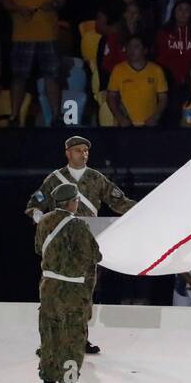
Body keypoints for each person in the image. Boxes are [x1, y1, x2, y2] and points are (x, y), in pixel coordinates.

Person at [25, 136, 137, 353]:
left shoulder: (96, 178)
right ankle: (50, 341)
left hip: (85, 242)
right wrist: (41, 220)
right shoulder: (55, 179)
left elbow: (119, 202)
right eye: (78, 150)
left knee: (84, 292)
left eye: (86, 150)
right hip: (60, 243)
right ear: (68, 153)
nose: (83, 154)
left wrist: (143, 210)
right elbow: (34, 205)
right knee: (54, 292)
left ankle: (80, 338)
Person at [36, 182, 101, 383]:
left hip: (48, 287)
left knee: (49, 338)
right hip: (71, 290)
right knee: (71, 341)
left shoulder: (43, 222)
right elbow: (93, 254)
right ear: (73, 202)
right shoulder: (77, 225)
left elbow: (38, 249)